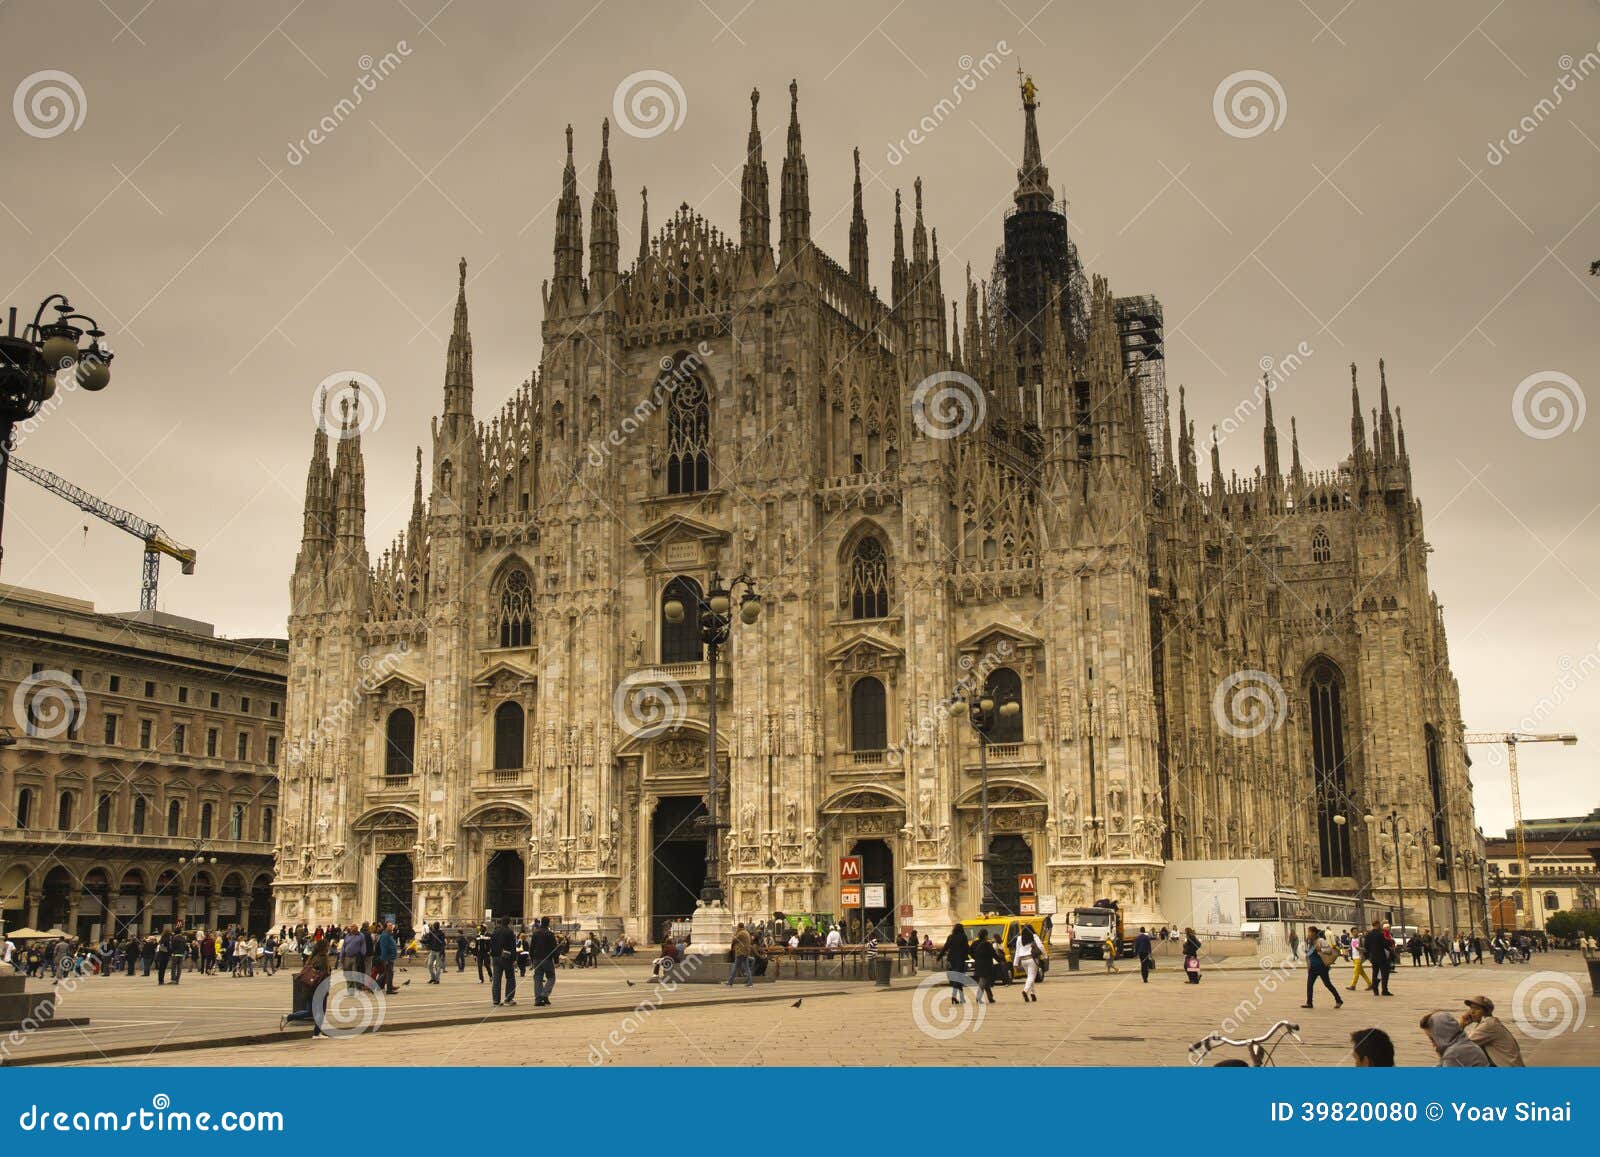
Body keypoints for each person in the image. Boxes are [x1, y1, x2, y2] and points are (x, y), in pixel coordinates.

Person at [282, 937, 332, 1038]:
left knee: (310, 1011)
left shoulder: (313, 957)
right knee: (321, 1012)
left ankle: (288, 1018)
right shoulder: (323, 959)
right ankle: (316, 1033)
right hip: (318, 989)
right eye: (327, 946)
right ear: (325, 948)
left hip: (310, 988)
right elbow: (323, 975)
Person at [1461, 995, 1524, 1066]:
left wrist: (1462, 1024)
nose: (1472, 1012)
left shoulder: (1488, 1025)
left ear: (1486, 1012)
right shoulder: (1490, 1023)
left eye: (1477, 1009)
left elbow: (1461, 1046)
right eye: (1471, 1008)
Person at [1421, 1010, 1489, 1067]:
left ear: (1442, 1035)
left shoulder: (1453, 1054)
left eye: (1432, 1039)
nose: (1433, 1044)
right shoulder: (1464, 1043)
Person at [1301, 925, 1344, 1009]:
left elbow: (1329, 950)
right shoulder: (1309, 942)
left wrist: (1320, 949)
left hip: (1321, 966)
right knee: (1309, 985)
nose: (1308, 934)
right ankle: (1309, 1002)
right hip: (1312, 967)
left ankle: (1339, 1000)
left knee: (1327, 984)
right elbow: (1308, 955)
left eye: (1309, 932)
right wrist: (1308, 965)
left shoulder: (1320, 940)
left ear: (1314, 933)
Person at [937, 922, 970, 1004]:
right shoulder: (963, 937)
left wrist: (939, 956)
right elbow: (967, 948)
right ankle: (954, 996)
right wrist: (974, 955)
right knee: (958, 978)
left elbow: (945, 947)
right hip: (960, 959)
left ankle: (961, 998)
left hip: (952, 960)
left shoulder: (950, 937)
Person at [529, 916, 558, 1006]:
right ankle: (545, 994)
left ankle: (538, 1000)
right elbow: (554, 948)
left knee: (538, 978)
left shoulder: (535, 933)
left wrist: (532, 958)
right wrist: (556, 960)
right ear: (548, 923)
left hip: (536, 959)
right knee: (551, 977)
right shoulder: (550, 934)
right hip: (547, 959)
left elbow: (532, 947)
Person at [489, 916, 518, 1006]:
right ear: (509, 923)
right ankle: (508, 998)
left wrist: (493, 955)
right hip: (506, 957)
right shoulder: (509, 932)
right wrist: (514, 959)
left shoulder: (495, 931)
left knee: (496, 979)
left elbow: (491, 944)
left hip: (496, 957)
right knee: (510, 978)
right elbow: (512, 946)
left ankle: (496, 1000)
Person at [1362, 919, 1392, 996]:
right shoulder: (1380, 934)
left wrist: (1369, 955)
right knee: (1384, 974)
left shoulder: (1368, 935)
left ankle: (1375, 990)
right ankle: (1384, 990)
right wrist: (1390, 942)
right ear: (1378, 924)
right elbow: (1385, 944)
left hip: (1373, 957)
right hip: (1382, 957)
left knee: (1374, 974)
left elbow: (1366, 947)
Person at [969, 929, 1000, 1004]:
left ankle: (990, 997)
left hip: (978, 964)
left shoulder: (975, 943)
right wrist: (1000, 960)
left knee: (986, 981)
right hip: (986, 964)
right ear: (985, 935)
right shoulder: (987, 943)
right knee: (983, 980)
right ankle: (978, 997)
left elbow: (970, 951)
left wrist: (975, 957)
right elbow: (993, 954)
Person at [1014, 923, 1042, 1002]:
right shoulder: (1034, 936)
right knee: (1031, 977)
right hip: (1032, 958)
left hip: (1023, 960)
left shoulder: (1019, 938)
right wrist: (1045, 955)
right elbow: (1040, 946)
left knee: (1029, 977)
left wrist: (1015, 963)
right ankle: (1025, 991)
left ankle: (1033, 994)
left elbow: (1017, 951)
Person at [725, 922, 756, 987]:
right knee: (747, 968)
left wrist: (736, 933)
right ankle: (750, 983)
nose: (737, 928)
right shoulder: (746, 932)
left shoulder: (741, 933)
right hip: (746, 952)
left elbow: (733, 940)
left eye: (737, 927)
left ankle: (730, 982)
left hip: (740, 953)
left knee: (735, 967)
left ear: (739, 927)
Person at [377, 922, 399, 994]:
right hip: (387, 958)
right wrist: (385, 959)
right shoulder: (385, 935)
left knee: (387, 973)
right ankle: (389, 989)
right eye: (389, 926)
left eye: (391, 925)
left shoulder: (389, 935)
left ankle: (389, 986)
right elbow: (384, 948)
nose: (391, 927)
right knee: (388, 973)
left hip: (391, 957)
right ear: (385, 927)